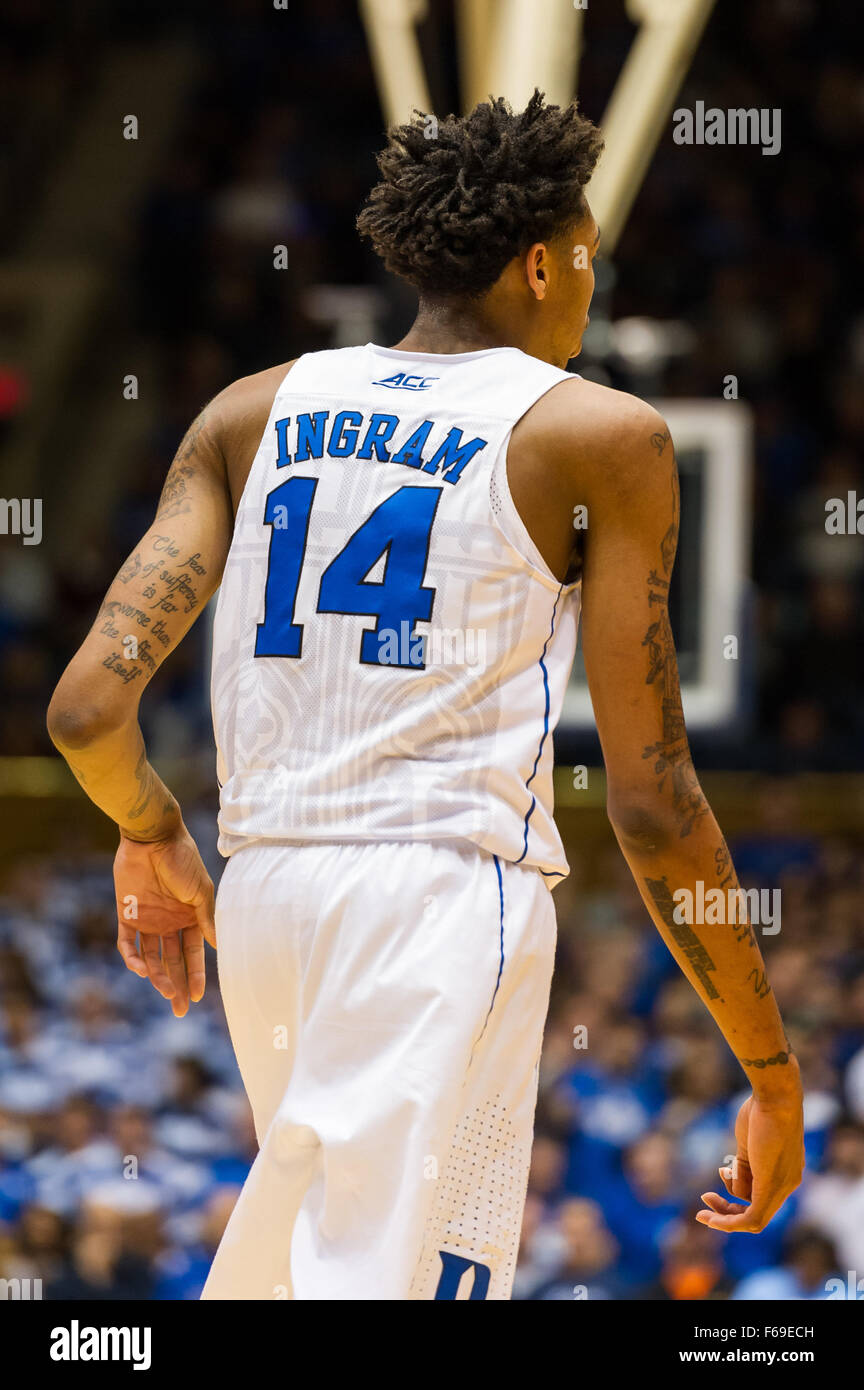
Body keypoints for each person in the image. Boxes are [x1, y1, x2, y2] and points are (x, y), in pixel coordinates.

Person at [47, 91, 804, 1301]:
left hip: (267, 894)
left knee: (300, 1273)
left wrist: (149, 830)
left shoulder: (245, 410)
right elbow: (654, 805)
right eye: (593, 264)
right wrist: (770, 1073)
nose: (592, 291)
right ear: (546, 261)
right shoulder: (601, 436)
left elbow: (85, 710)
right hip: (440, 899)